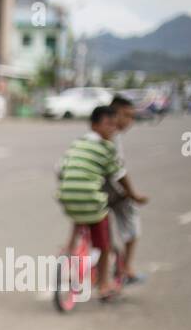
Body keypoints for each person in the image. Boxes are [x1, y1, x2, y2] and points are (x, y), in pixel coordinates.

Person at [56, 105, 138, 300]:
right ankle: (103, 285)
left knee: (79, 216)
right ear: (94, 125)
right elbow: (119, 175)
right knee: (104, 245)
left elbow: (59, 169)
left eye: (114, 125)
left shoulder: (78, 143)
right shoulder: (106, 148)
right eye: (108, 124)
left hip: (66, 195)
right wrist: (132, 195)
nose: (112, 129)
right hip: (91, 200)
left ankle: (68, 251)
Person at [108, 95, 150, 285]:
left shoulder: (99, 130)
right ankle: (127, 269)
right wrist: (133, 195)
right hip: (105, 189)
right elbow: (118, 173)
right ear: (115, 113)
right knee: (131, 213)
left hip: (83, 188)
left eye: (132, 116)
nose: (130, 121)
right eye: (127, 115)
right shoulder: (111, 135)